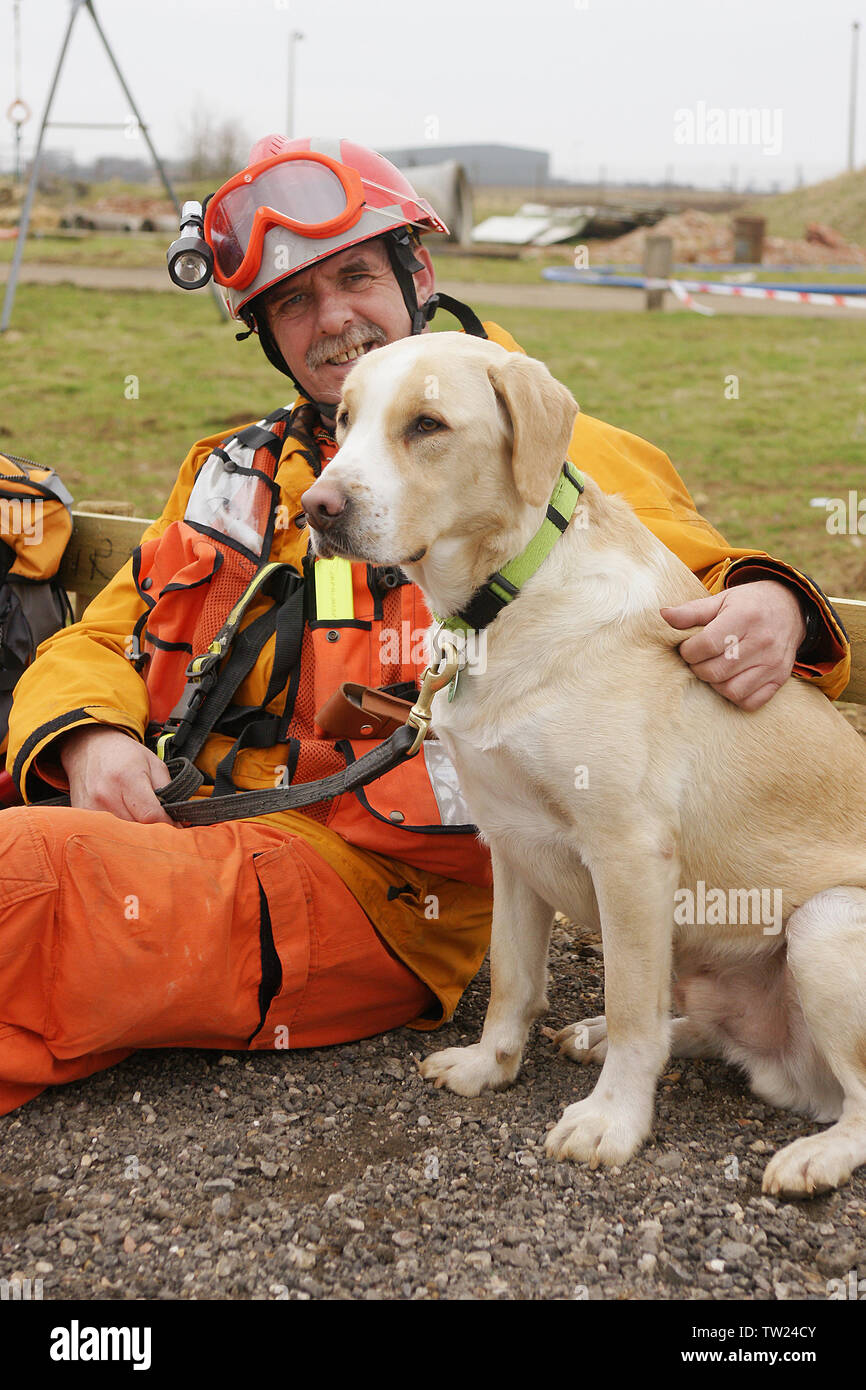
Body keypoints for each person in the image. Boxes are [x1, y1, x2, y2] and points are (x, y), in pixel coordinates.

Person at [0, 136, 849, 1117]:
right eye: (292, 301)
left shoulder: (529, 436)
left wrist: (771, 599)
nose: (333, 320)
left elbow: (687, 588)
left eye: (354, 276)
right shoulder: (230, 473)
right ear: (268, 333)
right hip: (187, 824)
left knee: (27, 884)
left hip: (374, 888)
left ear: (418, 273)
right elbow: (103, 638)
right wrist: (90, 734)